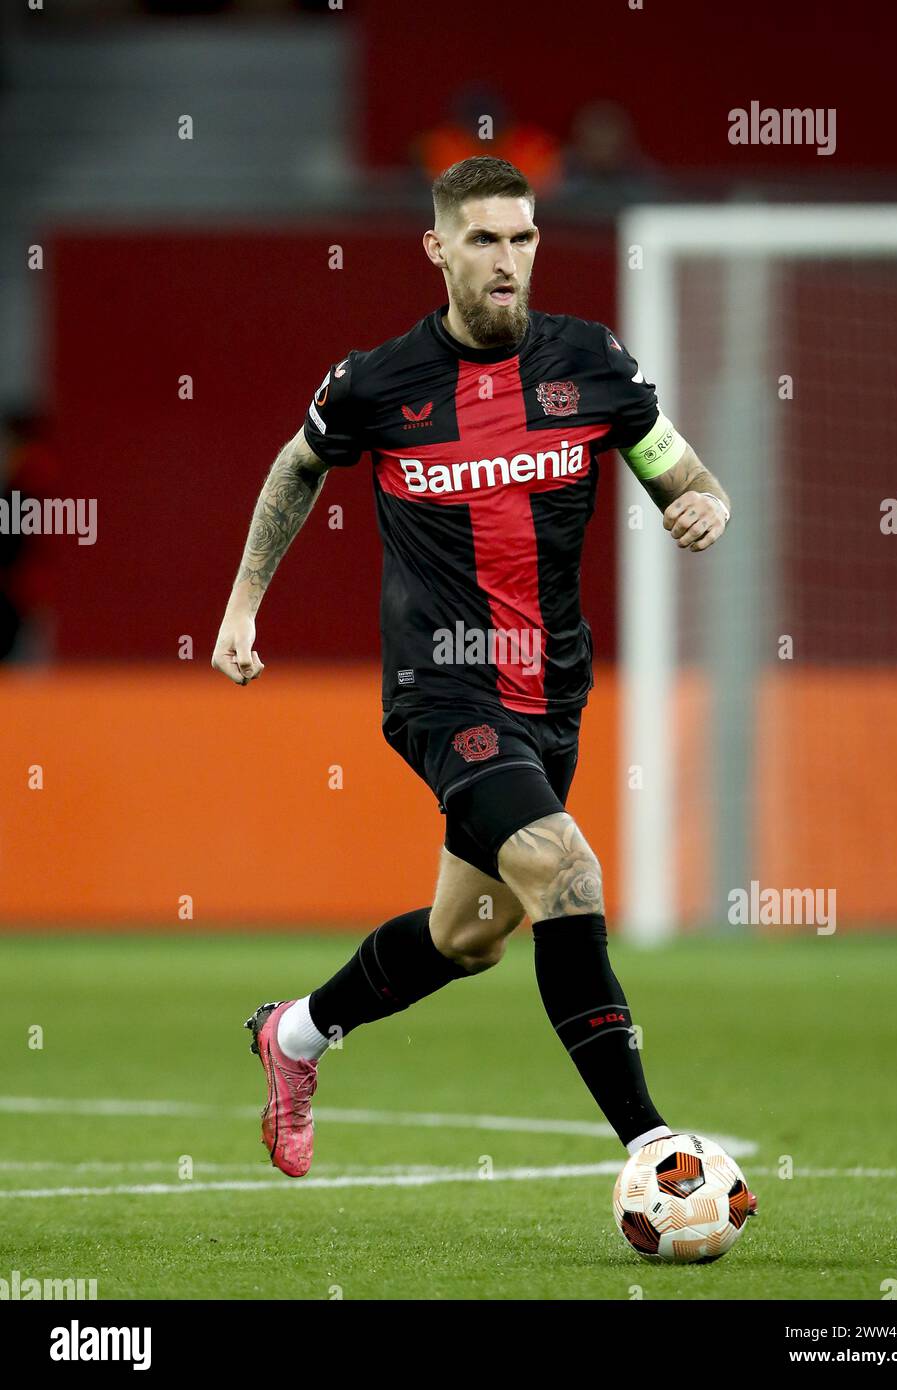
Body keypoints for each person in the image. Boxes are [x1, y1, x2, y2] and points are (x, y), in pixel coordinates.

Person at [211, 155, 736, 1187]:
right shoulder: (379, 382)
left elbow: (679, 468)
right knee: (564, 868)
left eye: (524, 237)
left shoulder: (593, 364)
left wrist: (705, 504)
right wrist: (241, 603)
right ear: (437, 247)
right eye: (485, 239)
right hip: (442, 689)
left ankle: (298, 1033)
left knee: (470, 934)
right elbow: (298, 464)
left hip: (552, 694)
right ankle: (651, 1146)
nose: (508, 260)